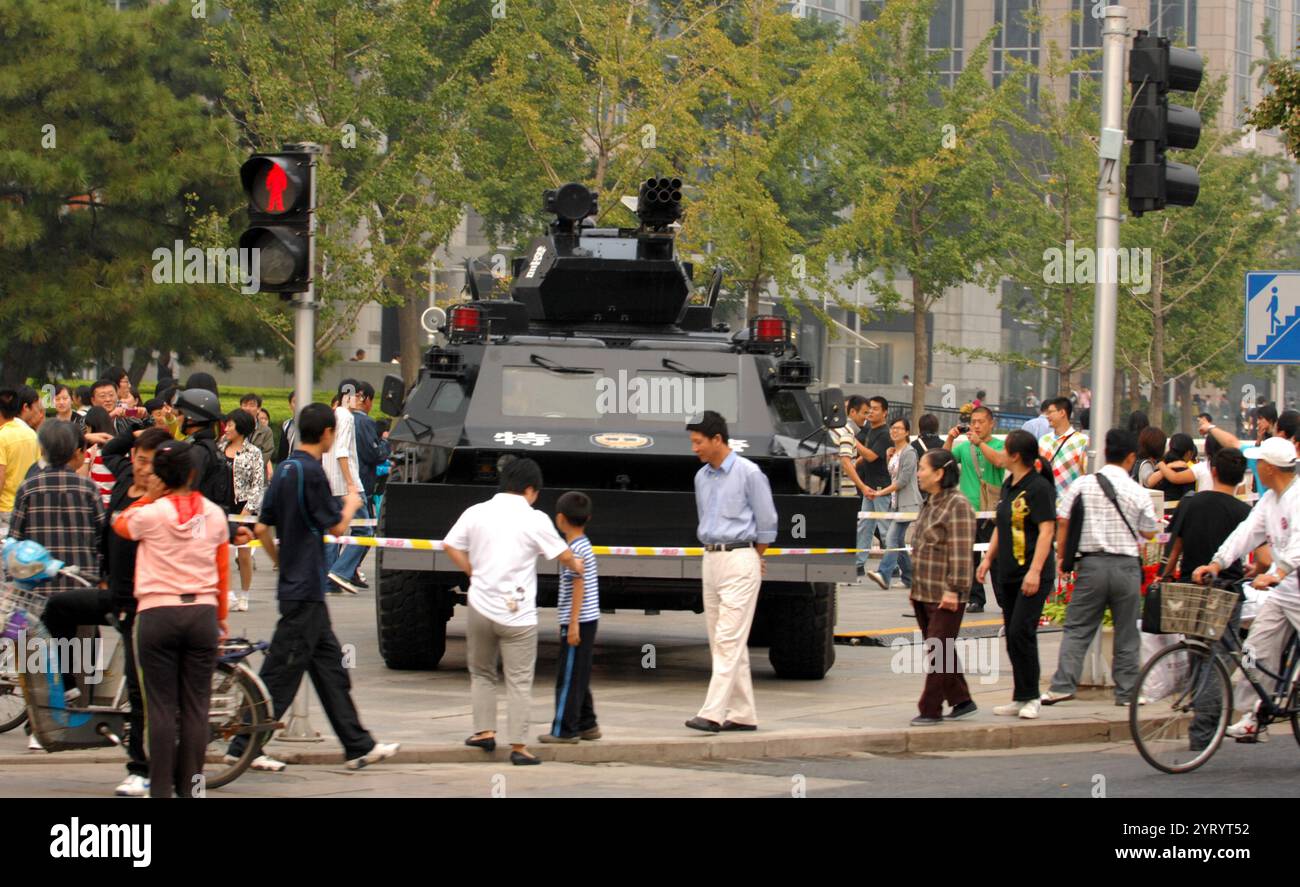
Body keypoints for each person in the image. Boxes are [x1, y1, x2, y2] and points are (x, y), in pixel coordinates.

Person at [226, 403, 400, 771]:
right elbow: (336, 528)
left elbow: (261, 529)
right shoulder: (312, 473)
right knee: (281, 672)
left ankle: (358, 745)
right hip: (304, 590)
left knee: (330, 669)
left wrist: (278, 561)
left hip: (300, 588)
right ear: (326, 433)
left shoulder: (286, 470)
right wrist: (352, 503)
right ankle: (244, 745)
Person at [40, 425, 173, 795]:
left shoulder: (166, 499)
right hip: (112, 593)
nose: (144, 468)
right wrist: (136, 430)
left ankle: (140, 768)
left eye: (152, 461)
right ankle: (70, 687)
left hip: (144, 603)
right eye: (140, 459)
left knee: (138, 687)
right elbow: (114, 450)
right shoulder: (125, 481)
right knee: (57, 609)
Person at [444, 457, 582, 764]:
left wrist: (471, 571)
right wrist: (577, 562)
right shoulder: (535, 519)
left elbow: (450, 545)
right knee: (519, 680)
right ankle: (519, 747)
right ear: (530, 489)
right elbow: (563, 555)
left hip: (480, 605)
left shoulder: (476, 512)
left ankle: (484, 733)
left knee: (481, 672)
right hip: (519, 613)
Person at [112, 440, 230, 799]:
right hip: (202, 613)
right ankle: (191, 787)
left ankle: (160, 787)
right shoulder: (213, 514)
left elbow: (120, 524)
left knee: (160, 706)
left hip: (157, 614)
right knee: (196, 707)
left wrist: (150, 496)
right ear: (193, 474)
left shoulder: (150, 514)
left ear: (160, 477)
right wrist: (221, 620)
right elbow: (222, 571)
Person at [1193, 436, 1300, 741]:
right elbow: (1246, 533)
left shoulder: (1297, 497)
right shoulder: (1269, 501)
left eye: (1259, 462)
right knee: (1255, 652)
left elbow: (1298, 544)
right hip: (1284, 592)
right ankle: (1255, 715)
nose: (1256, 466)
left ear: (1269, 468)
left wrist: (1277, 571)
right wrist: (1217, 562)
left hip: (1291, 585)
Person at [1042, 429, 1157, 707]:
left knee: (1077, 627)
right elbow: (1150, 531)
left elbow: (1063, 519)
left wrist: (1063, 557)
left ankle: (1062, 686)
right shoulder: (1138, 491)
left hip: (1091, 566)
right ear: (1131, 457)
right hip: (1126, 567)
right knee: (1127, 632)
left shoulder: (1082, 484)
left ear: (1105, 452)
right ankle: (1127, 692)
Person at [683, 411, 777, 734]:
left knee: (727, 639)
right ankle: (743, 713)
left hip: (740, 557)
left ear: (717, 440)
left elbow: (767, 523)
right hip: (710, 559)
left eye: (698, 442)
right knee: (722, 640)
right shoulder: (701, 478)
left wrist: (754, 556)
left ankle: (711, 713)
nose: (694, 448)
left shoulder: (749, 473)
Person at [976, 431, 1056, 720]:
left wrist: (1035, 571)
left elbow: (1047, 530)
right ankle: (1020, 695)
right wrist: (987, 560)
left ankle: (1032, 697)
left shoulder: (1039, 488)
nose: (1001, 455)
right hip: (1008, 572)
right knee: (1011, 635)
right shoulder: (1010, 483)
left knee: (1023, 631)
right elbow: (1001, 524)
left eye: (1005, 450)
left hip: (1032, 573)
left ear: (1016, 456)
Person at [908, 449, 977, 725]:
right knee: (941, 647)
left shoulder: (957, 504)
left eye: (923, 468)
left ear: (939, 474)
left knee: (939, 648)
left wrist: (954, 589)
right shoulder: (931, 501)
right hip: (923, 590)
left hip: (946, 593)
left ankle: (930, 708)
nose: (919, 473)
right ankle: (961, 700)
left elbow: (961, 551)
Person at [538, 491, 601, 745]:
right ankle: (588, 724)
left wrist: (572, 623)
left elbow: (578, 586)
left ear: (560, 519)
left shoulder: (574, 550)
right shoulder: (583, 545)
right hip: (587, 618)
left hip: (579, 620)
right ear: (588, 518)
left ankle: (565, 730)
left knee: (568, 675)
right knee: (578, 673)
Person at [944, 405, 1006, 613]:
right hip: (968, 510)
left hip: (991, 511)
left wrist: (979, 443)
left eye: (981, 422)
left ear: (991, 423)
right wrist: (951, 439)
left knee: (996, 557)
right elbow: (944, 462)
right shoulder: (964, 447)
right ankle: (976, 599)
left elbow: (998, 461)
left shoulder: (1000, 444)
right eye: (974, 422)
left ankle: (1003, 600)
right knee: (970, 556)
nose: (977, 426)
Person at [322, 382, 371, 593]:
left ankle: (329, 581)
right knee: (365, 530)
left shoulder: (332, 415)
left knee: (333, 532)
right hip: (346, 483)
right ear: (348, 396)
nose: (360, 400)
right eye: (357, 395)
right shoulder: (347, 417)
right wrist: (351, 483)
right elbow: (342, 452)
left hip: (330, 483)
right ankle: (341, 571)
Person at [220, 409, 266, 612]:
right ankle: (227, 593)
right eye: (226, 424)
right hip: (222, 505)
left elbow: (258, 484)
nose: (227, 428)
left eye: (231, 425)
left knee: (243, 553)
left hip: (243, 507)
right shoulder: (219, 447)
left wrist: (249, 509)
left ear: (241, 428)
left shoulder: (254, 452)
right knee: (222, 552)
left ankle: (244, 594)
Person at [869, 417, 919, 590]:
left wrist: (880, 493)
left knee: (891, 537)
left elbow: (903, 481)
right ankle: (909, 578)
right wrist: (887, 456)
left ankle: (884, 574)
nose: (894, 431)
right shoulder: (894, 452)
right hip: (896, 503)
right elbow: (893, 474)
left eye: (899, 428)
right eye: (893, 428)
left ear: (906, 432)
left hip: (908, 503)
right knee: (897, 541)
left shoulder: (909, 452)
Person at [349, 381, 389, 588]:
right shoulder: (364, 423)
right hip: (361, 483)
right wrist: (385, 444)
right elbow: (374, 454)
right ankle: (345, 569)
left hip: (345, 484)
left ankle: (346, 569)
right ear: (368, 400)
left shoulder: (342, 419)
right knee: (365, 529)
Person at [855, 396, 893, 586]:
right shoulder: (870, 430)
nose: (871, 412)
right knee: (865, 525)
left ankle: (893, 565)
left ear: (885, 412)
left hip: (881, 486)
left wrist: (853, 444)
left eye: (876, 409)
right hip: (869, 484)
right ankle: (859, 562)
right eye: (869, 409)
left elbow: (870, 456)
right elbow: (865, 455)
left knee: (885, 529)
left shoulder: (885, 433)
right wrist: (855, 462)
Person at [0, 387, 41, 531]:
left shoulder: (2, 436)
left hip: (5, 508)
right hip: (28, 506)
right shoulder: (33, 435)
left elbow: (0, 477)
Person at [1038, 396, 1088, 501]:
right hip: (1044, 504)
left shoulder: (1082, 441)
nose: (1047, 416)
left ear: (1062, 413)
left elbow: (1087, 474)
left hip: (1069, 506)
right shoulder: (1043, 441)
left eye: (1050, 412)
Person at [82, 406, 118, 507]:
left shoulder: (90, 453)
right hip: (116, 506)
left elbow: (82, 483)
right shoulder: (122, 451)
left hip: (98, 507)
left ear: (91, 427)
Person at [1146, 432, 1197, 503]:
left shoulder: (1160, 467)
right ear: (1189, 453)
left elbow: (1148, 484)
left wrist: (1165, 466)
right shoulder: (1186, 472)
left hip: (1157, 510)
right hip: (1176, 512)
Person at [239, 394, 276, 468]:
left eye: (251, 405)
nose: (247, 408)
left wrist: (248, 467)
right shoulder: (235, 427)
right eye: (244, 405)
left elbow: (266, 453)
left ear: (259, 409)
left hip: (256, 474)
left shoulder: (266, 431)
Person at [274, 391, 298, 465]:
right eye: (295, 402)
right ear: (290, 405)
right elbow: (282, 452)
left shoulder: (313, 424)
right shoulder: (286, 425)